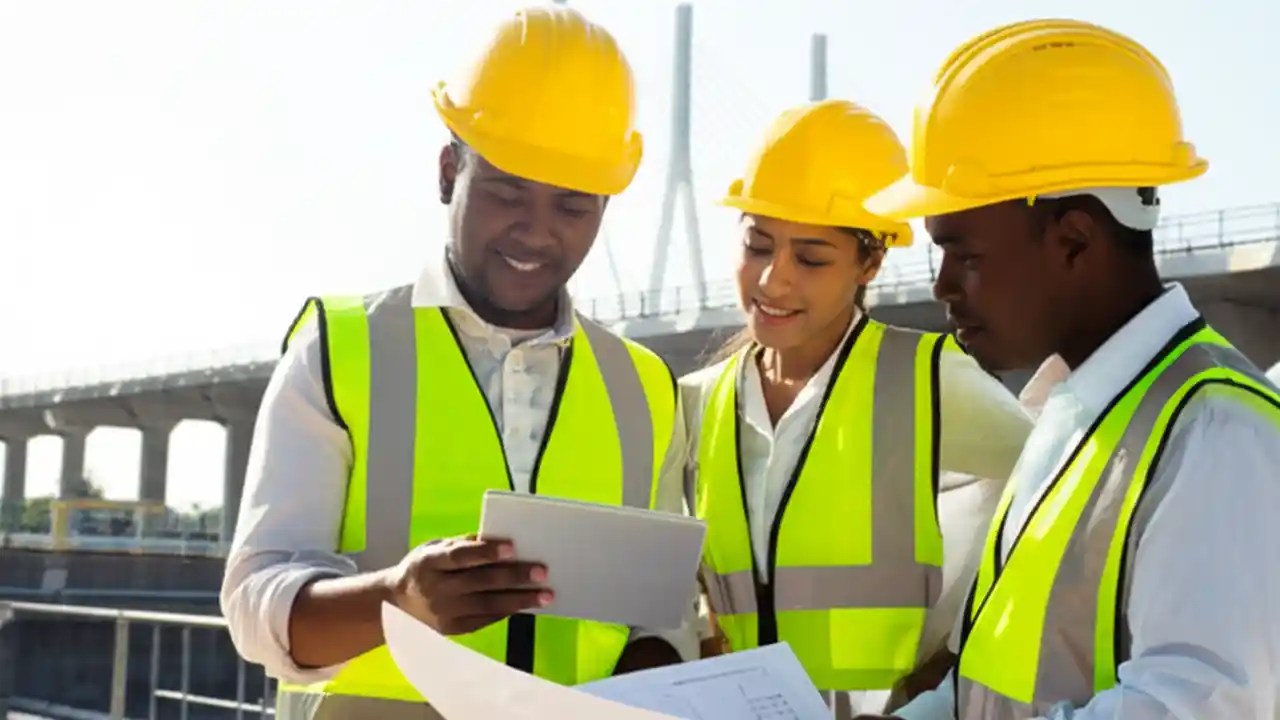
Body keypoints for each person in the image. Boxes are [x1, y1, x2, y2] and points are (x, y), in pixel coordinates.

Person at [220, 7, 696, 718]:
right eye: (508, 190)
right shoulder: (339, 349)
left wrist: (650, 670)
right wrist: (396, 600)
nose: (537, 230)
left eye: (572, 205)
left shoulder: (644, 388)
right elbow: (257, 609)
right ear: (450, 171)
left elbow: (659, 621)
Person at [858, 18, 1280, 720]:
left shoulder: (1217, 435)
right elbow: (992, 680)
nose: (941, 287)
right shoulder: (1073, 415)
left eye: (964, 255)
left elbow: (1199, 708)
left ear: (1075, 241)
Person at [681, 99, 1034, 719]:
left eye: (811, 258)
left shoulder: (928, 379)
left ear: (870, 262)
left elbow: (1065, 509)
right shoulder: (696, 403)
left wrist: (949, 669)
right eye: (757, 245)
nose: (772, 281)